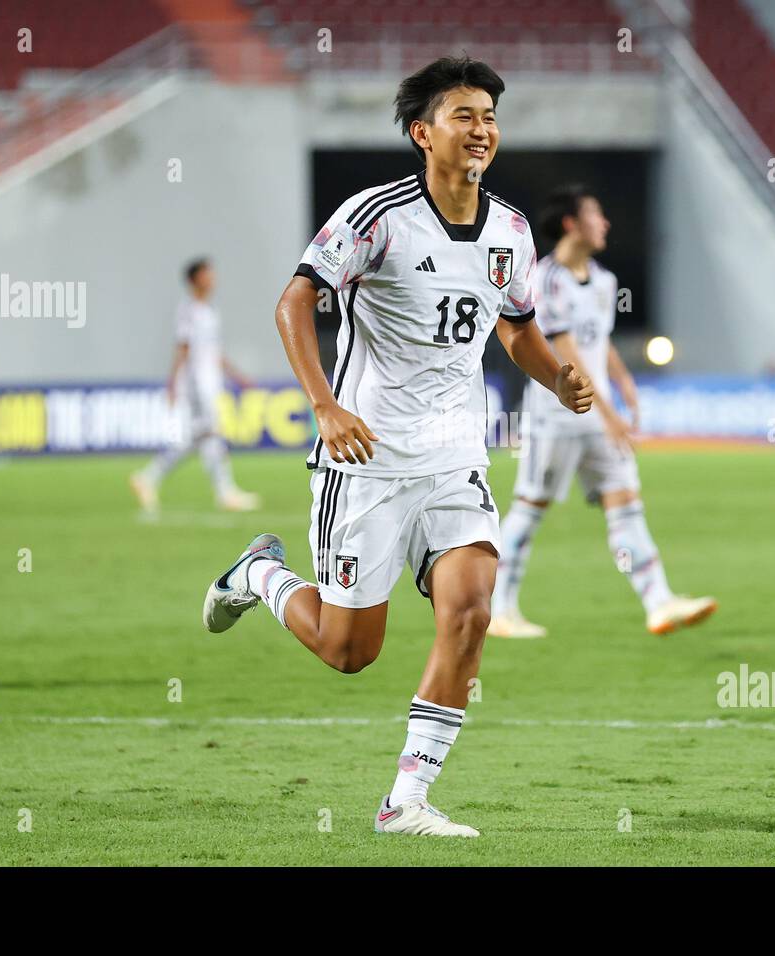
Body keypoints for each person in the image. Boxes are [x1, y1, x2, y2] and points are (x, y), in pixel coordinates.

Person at [200, 57, 593, 837]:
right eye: (463, 117)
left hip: (454, 460)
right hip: (366, 459)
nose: (481, 130)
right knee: (350, 652)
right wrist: (324, 406)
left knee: (472, 610)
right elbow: (295, 300)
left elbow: (515, 328)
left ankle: (406, 800)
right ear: (423, 133)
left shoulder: (512, 231)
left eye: (488, 116)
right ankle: (259, 574)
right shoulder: (377, 216)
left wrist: (556, 378)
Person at [487, 186, 716, 639]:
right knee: (531, 508)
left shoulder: (606, 281)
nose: (606, 223)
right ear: (572, 223)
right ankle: (500, 609)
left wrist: (625, 384)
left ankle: (659, 603)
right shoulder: (547, 278)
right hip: (557, 415)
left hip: (598, 413)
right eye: (596, 214)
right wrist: (610, 413)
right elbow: (566, 349)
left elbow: (599, 342)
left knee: (626, 504)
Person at [131, 259, 259, 513]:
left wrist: (236, 376)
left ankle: (149, 477)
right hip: (196, 386)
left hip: (210, 383)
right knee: (208, 434)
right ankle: (224, 492)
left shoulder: (209, 311)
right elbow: (183, 349)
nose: (213, 278)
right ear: (195, 279)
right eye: (207, 274)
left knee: (201, 437)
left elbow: (213, 353)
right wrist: (173, 384)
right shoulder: (189, 311)